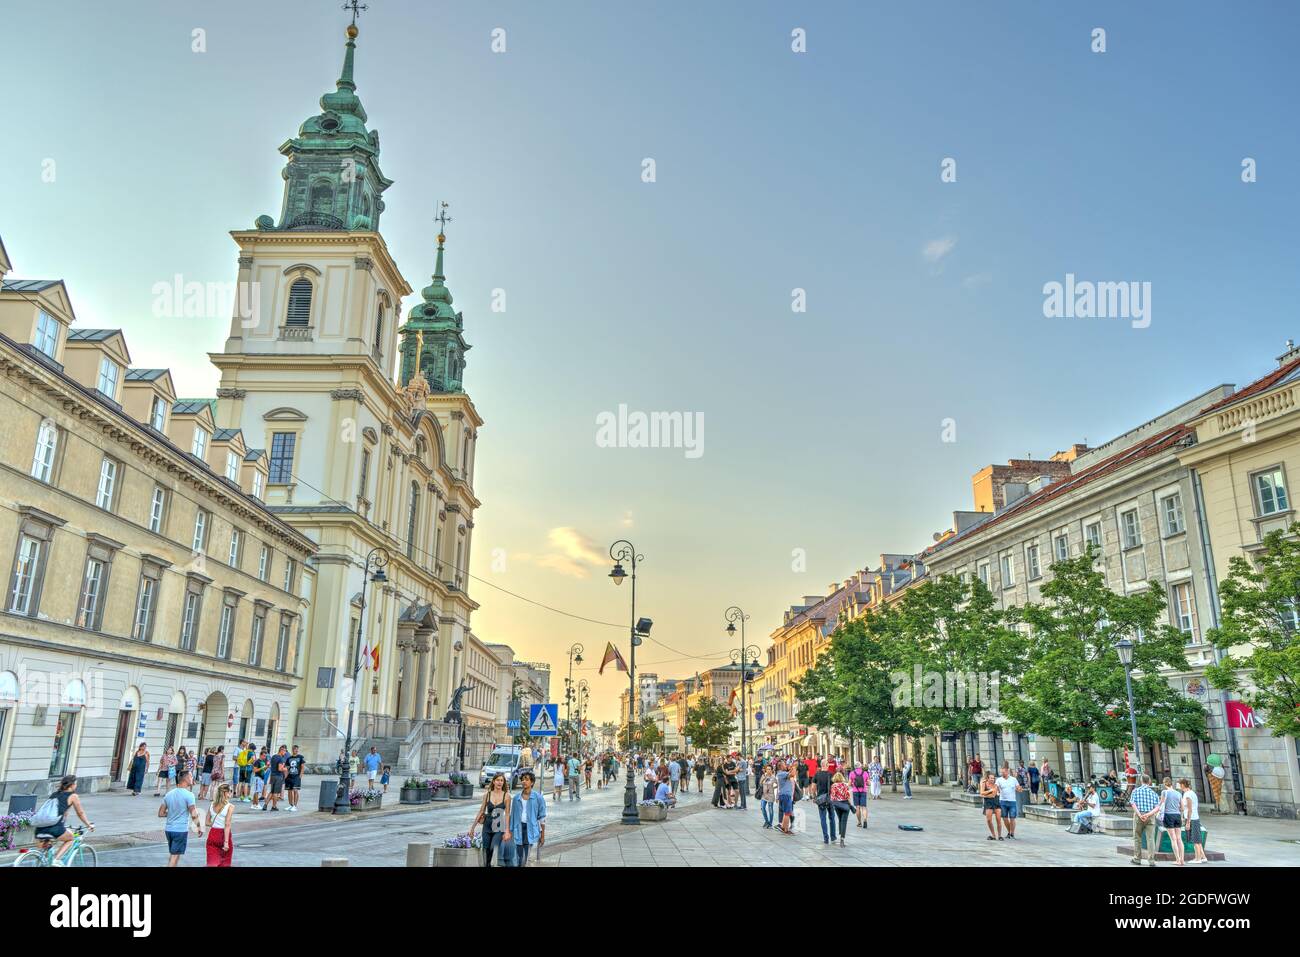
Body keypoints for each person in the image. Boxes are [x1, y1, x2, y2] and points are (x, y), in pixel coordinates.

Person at [33, 775, 94, 865]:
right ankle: (56, 859)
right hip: (54, 828)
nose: (76, 786)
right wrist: (88, 824)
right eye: (76, 784)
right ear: (72, 785)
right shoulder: (73, 796)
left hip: (40, 827)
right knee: (71, 839)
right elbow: (80, 813)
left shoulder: (54, 794)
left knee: (47, 848)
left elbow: (60, 812)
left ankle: (46, 861)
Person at [160, 769, 202, 866]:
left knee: (174, 854)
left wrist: (172, 813)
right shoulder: (189, 795)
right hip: (180, 830)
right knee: (175, 856)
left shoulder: (169, 794)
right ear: (186, 778)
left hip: (169, 829)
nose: (192, 778)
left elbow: (161, 813)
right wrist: (199, 827)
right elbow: (194, 814)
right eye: (191, 776)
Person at [470, 772, 513, 867]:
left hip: (499, 826)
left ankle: (488, 864)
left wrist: (507, 831)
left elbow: (507, 814)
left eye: (502, 780)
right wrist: (472, 827)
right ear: (493, 781)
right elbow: (481, 811)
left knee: (493, 846)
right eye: (498, 780)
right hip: (487, 825)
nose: (500, 782)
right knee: (486, 849)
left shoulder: (507, 796)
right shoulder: (487, 794)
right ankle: (487, 865)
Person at [511, 770, 546, 867]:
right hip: (518, 828)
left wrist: (542, 835)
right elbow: (512, 816)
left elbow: (542, 817)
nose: (523, 781)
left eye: (526, 779)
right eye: (522, 779)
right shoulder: (516, 798)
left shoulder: (538, 798)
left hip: (530, 829)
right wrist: (509, 831)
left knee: (524, 858)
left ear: (532, 782)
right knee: (519, 856)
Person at [1129, 774, 1161, 866]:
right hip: (1150, 817)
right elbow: (1157, 808)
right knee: (1150, 839)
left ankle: (1137, 858)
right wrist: (1148, 814)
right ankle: (1151, 860)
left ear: (1141, 781)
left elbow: (1133, 803)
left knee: (1137, 837)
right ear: (1149, 782)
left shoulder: (1135, 791)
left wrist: (1140, 814)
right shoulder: (1153, 793)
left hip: (1139, 816)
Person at [205, 782, 235, 866]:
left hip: (213, 834)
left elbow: (207, 822)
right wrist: (226, 842)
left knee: (212, 863)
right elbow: (227, 825)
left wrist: (215, 824)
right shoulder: (230, 806)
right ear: (226, 793)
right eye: (230, 791)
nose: (231, 792)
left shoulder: (212, 805)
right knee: (225, 862)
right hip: (223, 835)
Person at [1158, 776, 1185, 866]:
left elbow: (1161, 804)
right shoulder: (1179, 794)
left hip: (1168, 816)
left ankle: (1177, 860)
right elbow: (1182, 808)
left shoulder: (1164, 792)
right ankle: (1182, 860)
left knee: (1173, 839)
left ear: (1165, 783)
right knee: (1179, 838)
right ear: (1171, 783)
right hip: (1177, 816)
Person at [1179, 779, 1208, 864]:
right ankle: (1203, 857)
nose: (1180, 786)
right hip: (1195, 818)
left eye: (1180, 784)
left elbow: (1189, 809)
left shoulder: (1187, 795)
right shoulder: (1192, 793)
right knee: (1197, 839)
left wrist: (1188, 822)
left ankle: (1197, 858)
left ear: (1183, 785)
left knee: (1196, 840)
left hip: (1192, 818)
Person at [995, 763, 1023, 839]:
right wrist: (997, 791)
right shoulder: (999, 780)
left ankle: (1012, 833)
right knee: (1004, 818)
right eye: (1001, 772)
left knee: (1012, 818)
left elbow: (1018, 788)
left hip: (1012, 801)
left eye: (1003, 772)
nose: (1002, 773)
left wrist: (1019, 789)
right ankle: (1009, 831)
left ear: (1007, 771)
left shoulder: (1013, 779)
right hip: (1002, 801)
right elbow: (996, 787)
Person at [813, 758, 836, 845]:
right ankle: (833, 837)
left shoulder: (817, 774)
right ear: (826, 765)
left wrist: (814, 797)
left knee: (823, 818)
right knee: (832, 818)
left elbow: (813, 787)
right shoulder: (831, 774)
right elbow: (834, 787)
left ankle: (826, 838)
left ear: (821, 765)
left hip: (821, 799)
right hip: (830, 799)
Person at [830, 771, 853, 846]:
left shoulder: (833, 786)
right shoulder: (845, 785)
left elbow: (832, 797)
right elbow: (848, 795)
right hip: (845, 804)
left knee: (840, 819)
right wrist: (850, 804)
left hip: (837, 805)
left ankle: (840, 832)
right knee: (844, 821)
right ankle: (842, 839)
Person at [979, 770, 1003, 841]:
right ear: (988, 778)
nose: (992, 779)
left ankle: (1000, 836)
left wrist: (987, 794)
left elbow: (993, 795)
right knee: (989, 820)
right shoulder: (984, 784)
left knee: (998, 819)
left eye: (993, 778)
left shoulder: (996, 785)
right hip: (988, 803)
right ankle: (993, 835)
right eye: (991, 778)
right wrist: (990, 791)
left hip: (996, 802)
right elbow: (981, 792)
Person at [265, 745, 288, 811]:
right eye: (285, 751)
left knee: (271, 791)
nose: (285, 753)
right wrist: (285, 769)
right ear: (281, 750)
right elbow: (280, 769)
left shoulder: (273, 757)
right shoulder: (281, 758)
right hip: (278, 776)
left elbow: (270, 764)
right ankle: (274, 806)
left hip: (272, 775)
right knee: (276, 793)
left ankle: (265, 805)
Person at [285, 744, 306, 810]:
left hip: (296, 777)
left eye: (297, 749)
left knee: (295, 790)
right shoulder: (289, 758)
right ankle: (291, 805)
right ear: (292, 750)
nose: (296, 750)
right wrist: (285, 777)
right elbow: (287, 768)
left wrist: (300, 776)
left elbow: (302, 767)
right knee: (289, 791)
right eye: (294, 749)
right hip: (289, 777)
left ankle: (295, 806)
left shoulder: (300, 757)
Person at [849, 762, 870, 828]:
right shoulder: (865, 773)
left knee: (857, 807)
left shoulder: (852, 773)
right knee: (864, 807)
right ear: (860, 766)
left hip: (855, 791)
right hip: (863, 791)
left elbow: (849, 783)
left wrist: (852, 784)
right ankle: (865, 820)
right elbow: (869, 783)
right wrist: (866, 783)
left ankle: (859, 822)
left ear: (855, 767)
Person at [776, 761, 795, 834]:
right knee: (787, 813)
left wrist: (790, 769)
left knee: (786, 813)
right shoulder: (782, 773)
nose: (785, 765)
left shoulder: (781, 773)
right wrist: (793, 767)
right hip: (786, 795)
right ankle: (786, 829)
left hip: (784, 795)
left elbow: (789, 774)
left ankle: (784, 828)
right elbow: (792, 774)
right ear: (780, 766)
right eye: (784, 764)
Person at [759, 764, 777, 829]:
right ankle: (766, 821)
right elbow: (760, 784)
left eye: (769, 769)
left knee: (770, 809)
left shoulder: (773, 777)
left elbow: (778, 785)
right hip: (764, 795)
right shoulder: (763, 776)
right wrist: (763, 778)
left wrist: (773, 787)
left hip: (770, 795)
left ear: (772, 770)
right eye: (767, 769)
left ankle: (770, 823)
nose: (768, 770)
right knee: (763, 808)